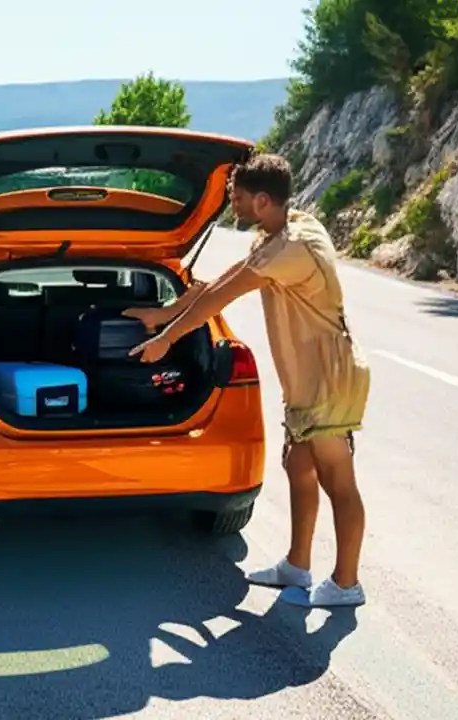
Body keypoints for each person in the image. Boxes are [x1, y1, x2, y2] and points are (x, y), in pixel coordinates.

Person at [122, 154, 370, 607]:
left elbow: (221, 299)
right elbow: (221, 281)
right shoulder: (281, 229)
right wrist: (163, 313)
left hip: (329, 377)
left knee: (338, 478)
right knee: (298, 465)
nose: (232, 203)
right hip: (309, 377)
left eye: (236, 197)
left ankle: (347, 584)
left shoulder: (293, 248)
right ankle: (297, 565)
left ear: (261, 199)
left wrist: (165, 339)